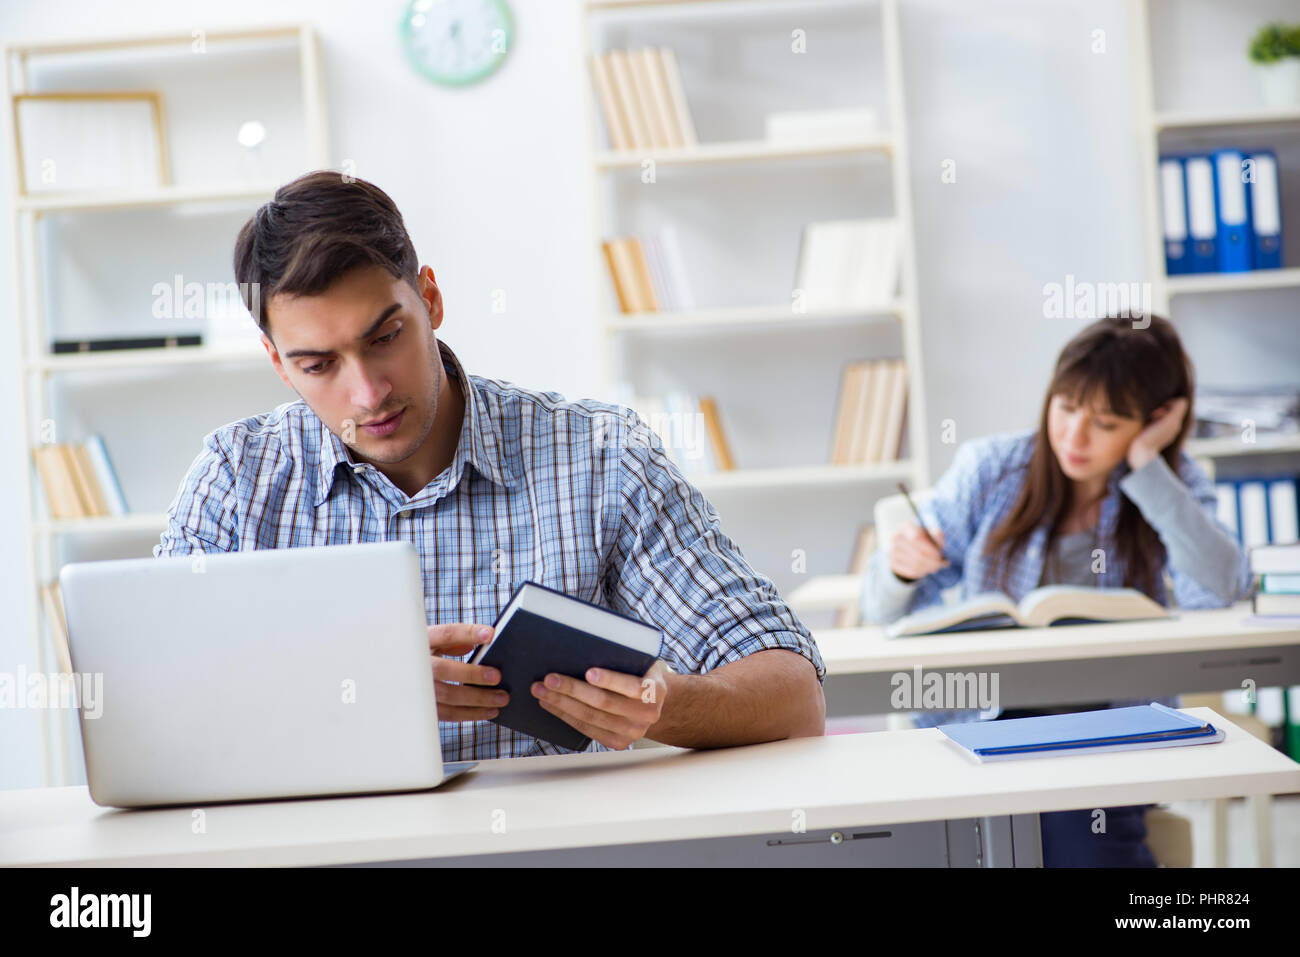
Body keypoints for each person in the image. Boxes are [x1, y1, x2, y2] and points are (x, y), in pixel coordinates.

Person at [154, 170, 825, 759]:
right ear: (278, 364)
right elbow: (153, 705)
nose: (368, 392)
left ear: (431, 300)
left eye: (385, 337)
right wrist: (343, 682)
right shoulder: (236, 479)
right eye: (318, 364)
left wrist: (663, 704)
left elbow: (793, 696)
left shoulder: (600, 457)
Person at [861, 314, 1250, 866]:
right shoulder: (993, 468)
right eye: (1065, 408)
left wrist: (1148, 468)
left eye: (1107, 422)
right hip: (987, 724)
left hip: (1112, 730)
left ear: (1153, 422)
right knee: (986, 835)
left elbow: (1220, 590)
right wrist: (900, 568)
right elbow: (878, 609)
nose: (1074, 437)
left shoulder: (1172, 481)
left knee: (1078, 835)